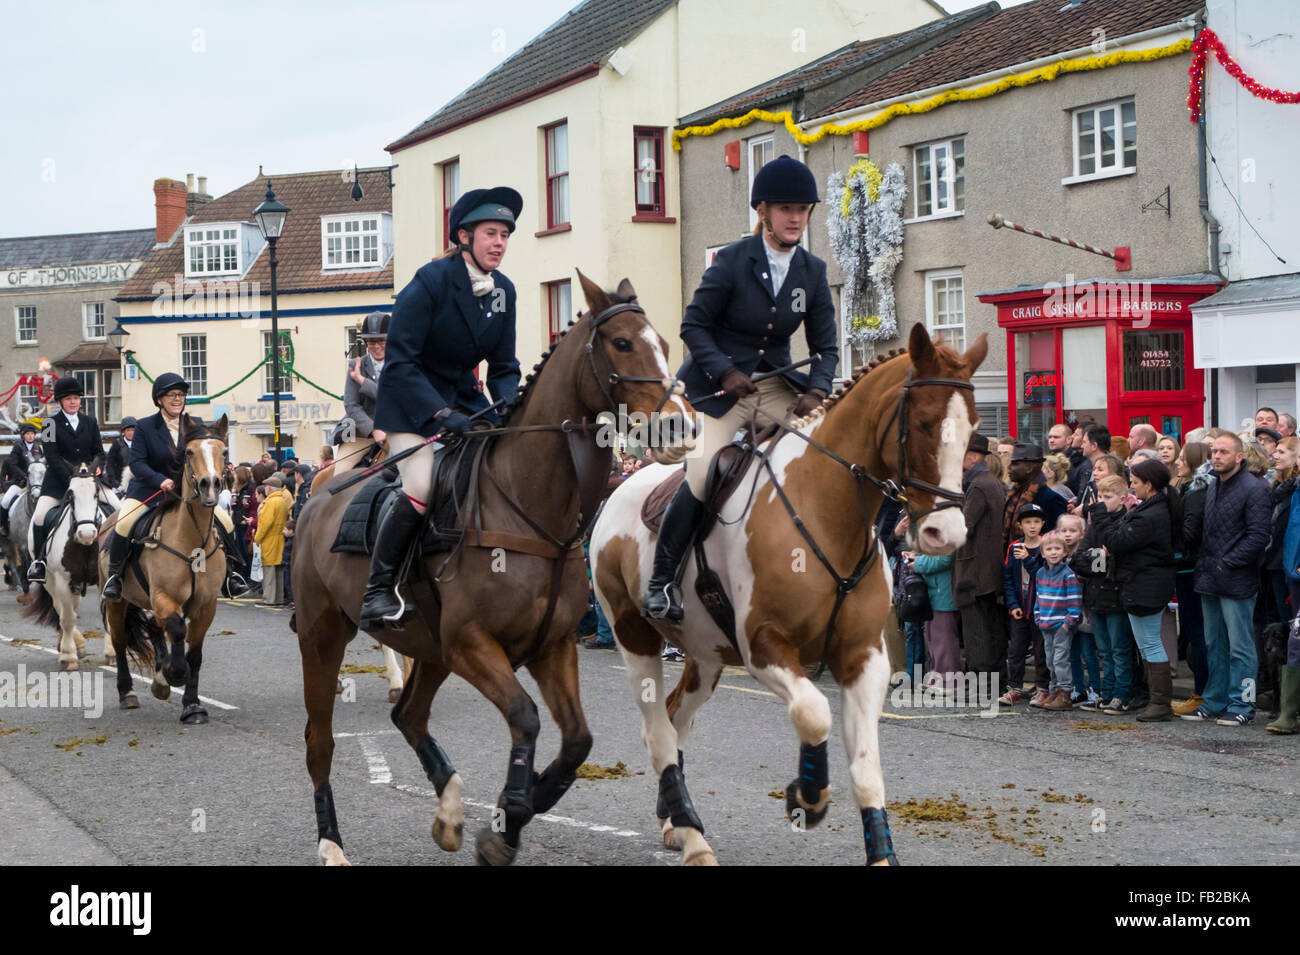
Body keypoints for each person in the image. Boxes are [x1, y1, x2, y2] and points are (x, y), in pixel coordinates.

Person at [642, 155, 836, 621]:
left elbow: (826, 345)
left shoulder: (812, 271)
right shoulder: (731, 261)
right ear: (764, 212)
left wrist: (817, 388)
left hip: (777, 387)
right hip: (718, 391)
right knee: (704, 470)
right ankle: (662, 581)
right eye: (786, 209)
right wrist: (726, 370)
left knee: (827, 455)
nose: (795, 218)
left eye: (804, 209)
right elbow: (693, 326)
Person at [360, 185, 523, 629]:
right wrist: (438, 414)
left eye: (506, 235)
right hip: (410, 401)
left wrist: (508, 406)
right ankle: (379, 589)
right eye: (491, 233)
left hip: (465, 400)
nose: (500, 242)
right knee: (424, 484)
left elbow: (505, 365)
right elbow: (400, 360)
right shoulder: (429, 282)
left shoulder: (503, 291)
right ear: (465, 237)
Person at [101, 373, 248, 600]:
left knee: (226, 522)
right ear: (159, 399)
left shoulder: (194, 424)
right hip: (149, 491)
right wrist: (159, 479)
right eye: (172, 395)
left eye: (181, 394)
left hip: (187, 494)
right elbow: (137, 463)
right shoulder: (144, 426)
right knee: (125, 522)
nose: (177, 399)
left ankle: (232, 574)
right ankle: (115, 577)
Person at [1183, 433, 1270, 725]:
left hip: (1237, 579)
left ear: (1239, 456)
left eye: (1223, 452)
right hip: (1209, 576)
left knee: (1240, 647)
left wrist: (1227, 563)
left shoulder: (1255, 488)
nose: (1216, 456)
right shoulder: (1212, 486)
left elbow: (1259, 536)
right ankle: (1214, 701)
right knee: (1213, 645)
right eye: (1213, 451)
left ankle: (1243, 706)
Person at [1095, 458, 1178, 722]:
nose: (1131, 487)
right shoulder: (1153, 509)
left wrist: (1100, 515)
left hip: (1145, 585)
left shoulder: (1150, 515)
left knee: (1150, 644)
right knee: (1146, 645)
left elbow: (1116, 541)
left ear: (1149, 484)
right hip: (1144, 584)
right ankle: (1157, 701)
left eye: (1135, 482)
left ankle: (1161, 703)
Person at [27, 377, 104, 584]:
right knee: (40, 517)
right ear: (60, 402)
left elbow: (99, 452)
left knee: (117, 508)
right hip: (57, 484)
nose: (73, 402)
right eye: (68, 398)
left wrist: (98, 469)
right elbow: (51, 456)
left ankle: (118, 563)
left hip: (88, 484)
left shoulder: (91, 422)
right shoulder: (50, 423)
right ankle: (39, 562)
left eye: (76, 398)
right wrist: (71, 479)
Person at [1072, 476, 1136, 713]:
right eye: (1099, 496)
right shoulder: (1095, 526)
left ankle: (1121, 694)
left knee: (1119, 650)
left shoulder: (1125, 522)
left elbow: (1119, 561)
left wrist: (1096, 557)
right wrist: (1099, 557)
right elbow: (1078, 560)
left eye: (1107, 497)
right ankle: (1106, 693)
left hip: (1116, 598)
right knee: (1104, 652)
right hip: (1096, 596)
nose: (1101, 501)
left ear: (1122, 498)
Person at [954, 433, 1008, 686]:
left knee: (977, 628)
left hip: (975, 569)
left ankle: (980, 679)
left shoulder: (977, 485)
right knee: (991, 626)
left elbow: (964, 526)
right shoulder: (993, 482)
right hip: (988, 567)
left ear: (973, 457)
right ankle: (993, 677)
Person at [1171, 441, 1211, 715]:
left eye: (1182, 458)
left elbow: (1189, 534)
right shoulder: (1188, 489)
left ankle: (1201, 693)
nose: (1176, 462)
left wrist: (1167, 542)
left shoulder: (1196, 494)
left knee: (1197, 634)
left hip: (1190, 570)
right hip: (1187, 568)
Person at [1000, 503, 1046, 704]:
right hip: (1020, 608)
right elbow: (1008, 578)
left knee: (1041, 650)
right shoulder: (1014, 547)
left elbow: (1044, 577)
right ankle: (1015, 687)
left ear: (1043, 524)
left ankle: (1043, 686)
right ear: (1020, 525)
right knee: (1016, 650)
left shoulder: (1046, 546)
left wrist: (1028, 559)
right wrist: (1013, 605)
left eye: (1036, 521)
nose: (1032, 526)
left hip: (1041, 609)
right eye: (1028, 522)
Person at [1032, 531, 1082, 711]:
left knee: (1061, 660)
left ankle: (1065, 693)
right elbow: (1038, 598)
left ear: (1065, 552)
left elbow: (1075, 602)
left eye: (1058, 549)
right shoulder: (1040, 573)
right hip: (1045, 624)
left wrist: (1067, 623)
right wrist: (1037, 616)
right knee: (1050, 659)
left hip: (1061, 625)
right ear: (1043, 553)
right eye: (1049, 549)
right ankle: (1053, 690)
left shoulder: (1068, 575)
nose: (1053, 552)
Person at [335, 310, 389, 471]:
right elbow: (351, 405)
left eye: (381, 341)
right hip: (359, 434)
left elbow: (392, 398)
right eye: (371, 342)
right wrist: (374, 430)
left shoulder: (400, 365)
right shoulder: (354, 364)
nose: (376, 346)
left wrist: (362, 381)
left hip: (396, 431)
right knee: (340, 474)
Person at [1056, 513, 1098, 706]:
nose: (1067, 535)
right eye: (1063, 530)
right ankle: (1078, 689)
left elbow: (1094, 576)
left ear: (1082, 534)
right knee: (1072, 653)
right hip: (1065, 611)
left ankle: (1095, 690)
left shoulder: (1086, 553)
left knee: (1089, 652)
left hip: (1084, 610)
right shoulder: (1056, 555)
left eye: (1072, 531)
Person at [1002, 443, 1066, 553]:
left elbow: (1056, 540)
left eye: (1015, 464)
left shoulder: (1050, 498)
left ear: (1029, 468)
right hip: (1013, 559)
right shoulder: (1014, 494)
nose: (1009, 468)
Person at [913, 547, 959, 696]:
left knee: (944, 639)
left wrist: (918, 563)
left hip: (943, 591)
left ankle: (949, 681)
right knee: (932, 637)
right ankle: (936, 677)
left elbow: (944, 559)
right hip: (933, 591)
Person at [255, 473, 293, 607]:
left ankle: (269, 598)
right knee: (279, 571)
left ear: (269, 488)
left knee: (269, 571)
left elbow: (265, 524)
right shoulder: (282, 500)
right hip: (280, 538)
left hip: (269, 539)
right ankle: (278, 598)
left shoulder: (270, 502)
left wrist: (257, 539)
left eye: (266, 486)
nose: (265, 489)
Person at [0, 422, 43, 537]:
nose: (31, 436)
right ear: (23, 435)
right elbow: (13, 465)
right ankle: (3, 525)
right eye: (28, 434)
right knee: (5, 501)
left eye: (32, 434)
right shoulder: (18, 446)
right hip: (19, 483)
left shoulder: (38, 448)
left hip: (35, 483)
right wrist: (24, 475)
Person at [104, 416, 137, 492]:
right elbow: (110, 464)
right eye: (128, 430)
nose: (131, 433)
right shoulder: (117, 444)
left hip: (136, 480)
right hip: (119, 482)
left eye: (133, 430)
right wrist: (115, 483)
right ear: (124, 431)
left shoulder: (141, 444)